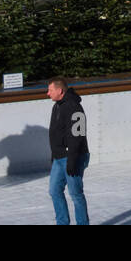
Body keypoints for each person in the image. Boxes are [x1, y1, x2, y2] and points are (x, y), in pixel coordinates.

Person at [46, 76, 89, 225]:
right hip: (59, 158)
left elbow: (78, 135)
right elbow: (56, 133)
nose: (47, 93)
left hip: (73, 156)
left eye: (50, 90)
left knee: (76, 194)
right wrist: (54, 155)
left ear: (60, 90)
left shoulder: (74, 106)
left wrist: (73, 159)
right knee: (54, 191)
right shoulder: (57, 105)